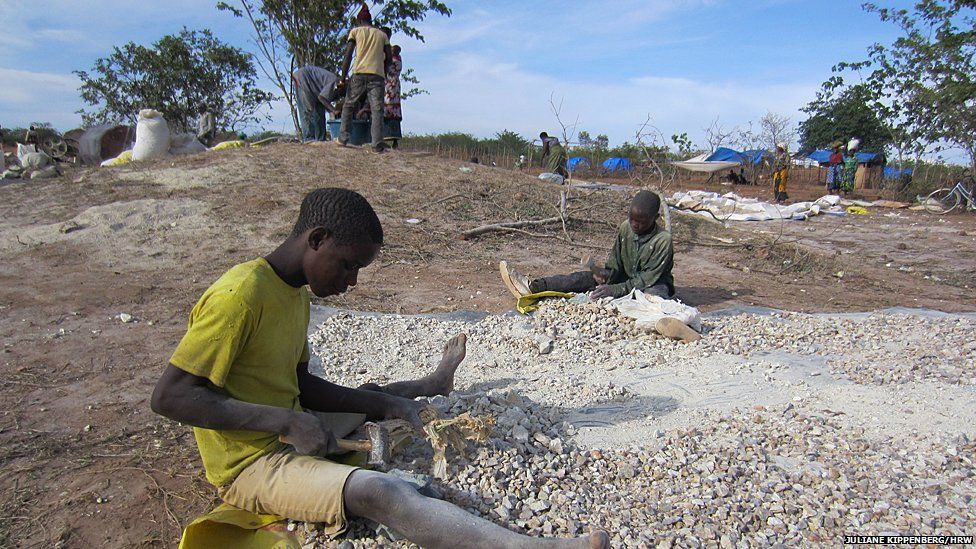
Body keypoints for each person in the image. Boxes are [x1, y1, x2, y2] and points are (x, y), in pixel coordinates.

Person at [151, 188, 609, 549]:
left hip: (290, 426)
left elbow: (300, 385)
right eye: (349, 265)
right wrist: (285, 420)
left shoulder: (291, 293)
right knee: (381, 493)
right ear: (317, 240)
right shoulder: (239, 296)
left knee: (371, 396)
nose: (351, 282)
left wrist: (383, 403)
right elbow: (170, 396)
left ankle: (431, 383)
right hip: (251, 463)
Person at [500, 190, 674, 301]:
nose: (635, 225)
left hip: (652, 285)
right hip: (625, 280)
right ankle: (534, 286)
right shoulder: (625, 228)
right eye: (631, 219)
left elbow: (645, 280)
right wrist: (605, 275)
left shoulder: (662, 241)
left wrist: (614, 290)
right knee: (579, 279)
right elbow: (615, 265)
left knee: (652, 298)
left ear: (655, 218)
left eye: (641, 222)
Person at [339, 3, 391, 153]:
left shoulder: (355, 32)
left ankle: (343, 138)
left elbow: (348, 55)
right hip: (377, 75)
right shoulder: (382, 35)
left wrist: (343, 78)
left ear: (359, 21)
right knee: (377, 110)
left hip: (359, 73)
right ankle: (377, 144)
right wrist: (385, 72)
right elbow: (388, 58)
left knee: (349, 104)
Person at [292, 66, 341, 142]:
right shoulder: (335, 82)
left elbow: (322, 99)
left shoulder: (337, 89)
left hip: (316, 90)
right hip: (303, 77)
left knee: (320, 110)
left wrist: (332, 111)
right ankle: (309, 139)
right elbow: (322, 98)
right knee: (306, 109)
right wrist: (333, 110)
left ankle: (321, 139)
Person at [382, 32, 403, 149]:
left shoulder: (391, 57)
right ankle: (393, 139)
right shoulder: (397, 58)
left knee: (388, 107)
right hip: (394, 85)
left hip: (389, 84)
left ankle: (388, 136)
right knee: (393, 109)